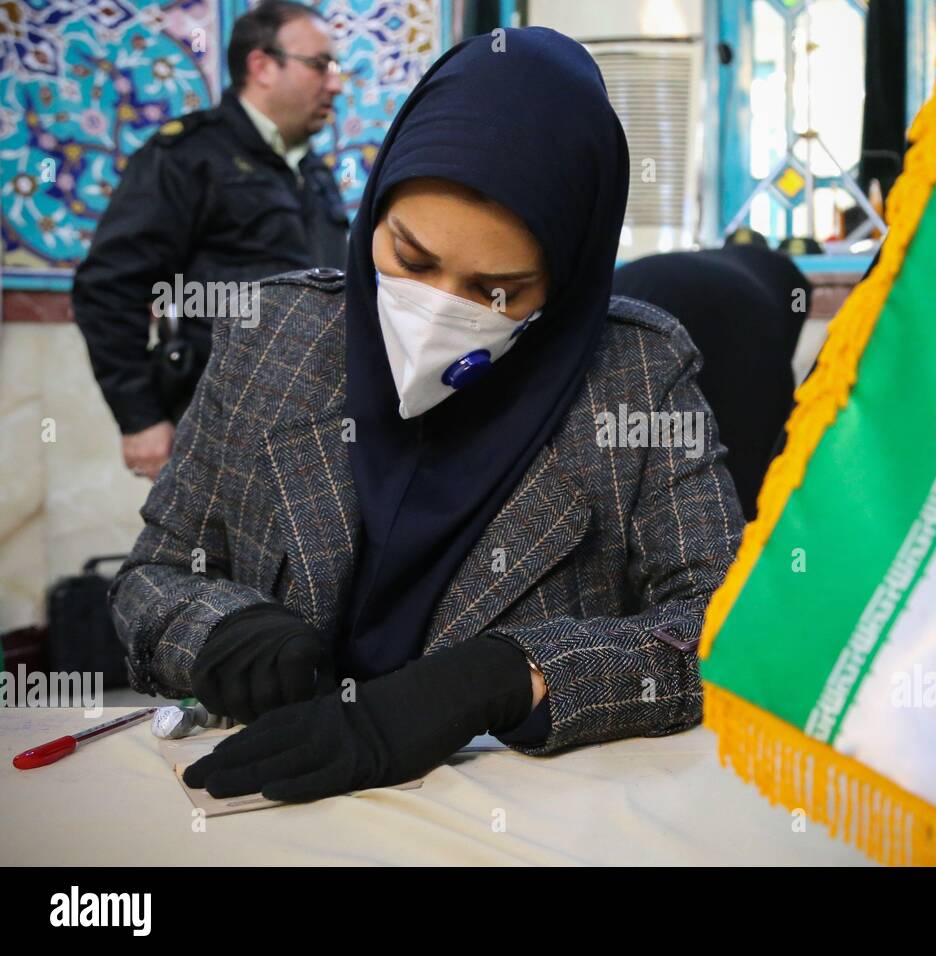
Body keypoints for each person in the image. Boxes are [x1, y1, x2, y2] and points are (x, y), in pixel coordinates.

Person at [108, 27, 743, 803]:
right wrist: (226, 630)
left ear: (567, 282)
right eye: (410, 260)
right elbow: (153, 574)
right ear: (375, 210)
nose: (440, 310)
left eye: (497, 290)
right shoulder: (274, 336)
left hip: (512, 823)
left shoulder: (636, 375)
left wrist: (509, 675)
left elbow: (729, 630)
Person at [73, 0, 348, 481]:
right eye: (320, 65)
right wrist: (139, 418)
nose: (335, 83)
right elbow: (108, 286)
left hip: (310, 424)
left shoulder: (311, 169)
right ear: (262, 66)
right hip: (217, 425)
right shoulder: (188, 156)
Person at [613, 244, 810, 519]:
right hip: (736, 313)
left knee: (626, 440)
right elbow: (765, 425)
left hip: (623, 296)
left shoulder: (732, 263)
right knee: (743, 469)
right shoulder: (788, 283)